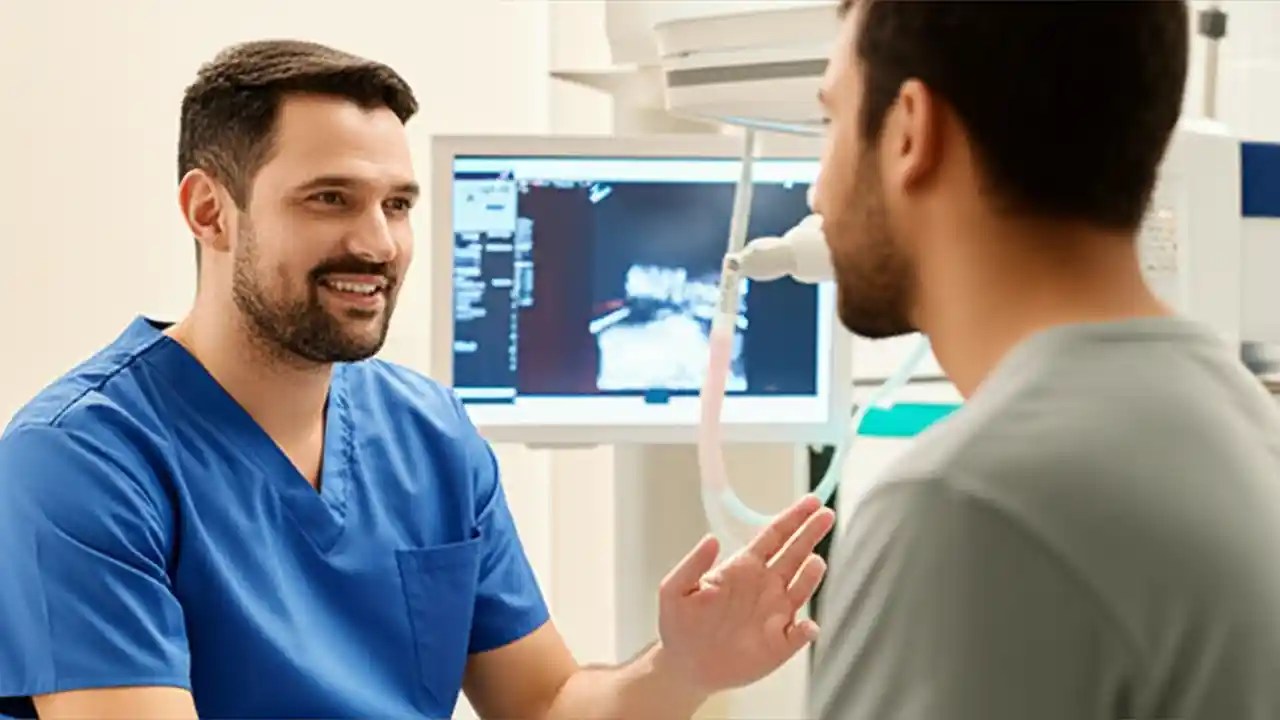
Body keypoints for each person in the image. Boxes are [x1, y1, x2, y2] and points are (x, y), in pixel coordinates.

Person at [0, 39, 836, 720]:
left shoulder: (429, 433)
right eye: (330, 198)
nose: (378, 244)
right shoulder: (79, 460)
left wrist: (683, 669)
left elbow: (545, 704)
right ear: (209, 211)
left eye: (397, 204)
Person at [808, 1, 1280, 718]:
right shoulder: (1242, 424)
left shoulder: (965, 510)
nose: (816, 191)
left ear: (910, 130)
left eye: (831, 121)